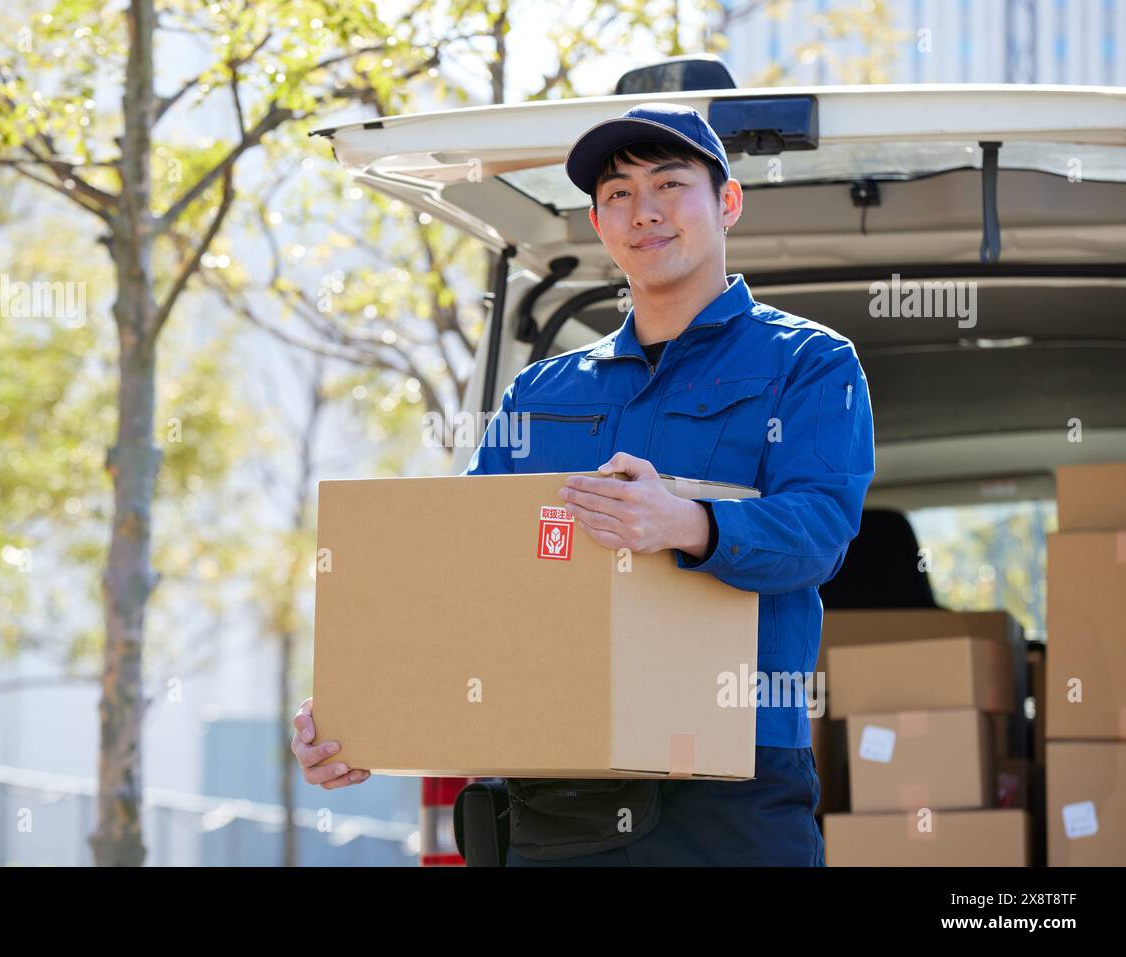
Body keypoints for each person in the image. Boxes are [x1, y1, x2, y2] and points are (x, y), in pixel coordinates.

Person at [293, 102, 875, 865]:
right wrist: (367, 712)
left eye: (670, 185)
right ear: (599, 225)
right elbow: (464, 567)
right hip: (556, 787)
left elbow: (820, 529)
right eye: (619, 196)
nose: (645, 212)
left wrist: (686, 523)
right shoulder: (542, 392)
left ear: (727, 202)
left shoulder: (810, 364)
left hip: (732, 782)